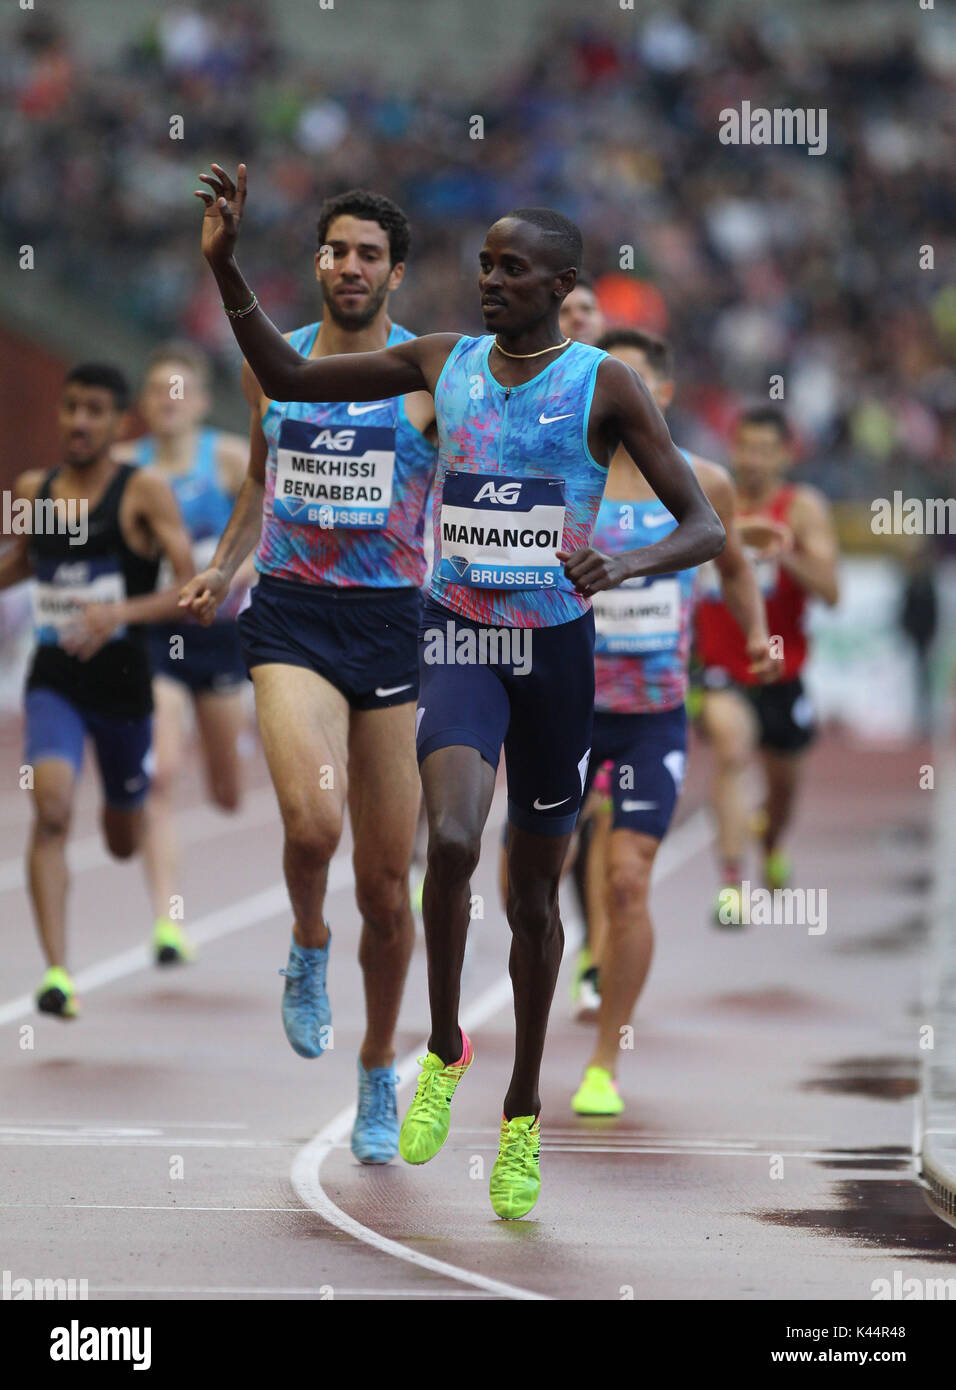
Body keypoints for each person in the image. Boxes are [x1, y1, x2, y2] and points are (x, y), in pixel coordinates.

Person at [191, 162, 725, 1218]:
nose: (489, 281)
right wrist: (226, 269)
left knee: (532, 897)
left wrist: (624, 565)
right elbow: (290, 384)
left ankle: (520, 1111)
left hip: (555, 657)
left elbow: (700, 523)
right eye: (481, 264)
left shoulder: (601, 386)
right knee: (446, 842)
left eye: (511, 269)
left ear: (561, 283)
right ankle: (439, 1049)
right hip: (461, 638)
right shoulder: (443, 362)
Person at [180, 187, 438, 1166]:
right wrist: (224, 560)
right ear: (320, 263)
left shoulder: (423, 377)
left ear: (394, 271)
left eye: (368, 253)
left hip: (391, 628)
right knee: (312, 824)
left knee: (386, 884)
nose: (349, 266)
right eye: (335, 251)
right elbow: (258, 476)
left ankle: (377, 1063)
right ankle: (304, 939)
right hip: (289, 614)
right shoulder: (273, 363)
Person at [568, 329, 776, 1116]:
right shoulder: (566, 477)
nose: (628, 396)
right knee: (536, 873)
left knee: (628, 880)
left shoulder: (703, 482)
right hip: (565, 711)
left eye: (642, 381)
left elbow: (733, 566)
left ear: (666, 391)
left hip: (651, 717)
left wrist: (754, 633)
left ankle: (602, 1061)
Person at [0, 364, 194, 1018]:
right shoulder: (35, 488)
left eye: (94, 411)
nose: (79, 422)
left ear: (119, 425)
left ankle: (129, 806)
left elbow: (190, 593)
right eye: (70, 409)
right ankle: (57, 973)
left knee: (119, 836)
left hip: (123, 687)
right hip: (55, 680)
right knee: (51, 809)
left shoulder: (144, 493)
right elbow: (23, 561)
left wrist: (120, 615)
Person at [115, 342, 251, 966]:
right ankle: (167, 922)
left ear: (197, 401)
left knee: (226, 794)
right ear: (145, 405)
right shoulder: (125, 467)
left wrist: (231, 575)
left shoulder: (225, 458)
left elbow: (269, 529)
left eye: (179, 391)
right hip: (155, 641)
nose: (167, 403)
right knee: (160, 773)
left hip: (218, 636)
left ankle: (227, 754)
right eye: (156, 392)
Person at [694, 406, 839, 918]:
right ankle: (732, 885)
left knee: (782, 794)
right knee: (731, 752)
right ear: (732, 450)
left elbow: (832, 592)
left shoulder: (801, 509)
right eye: (744, 447)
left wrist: (785, 554)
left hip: (783, 671)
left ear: (784, 454)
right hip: (721, 668)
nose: (752, 459)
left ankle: (771, 841)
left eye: (764, 449)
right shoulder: (710, 498)